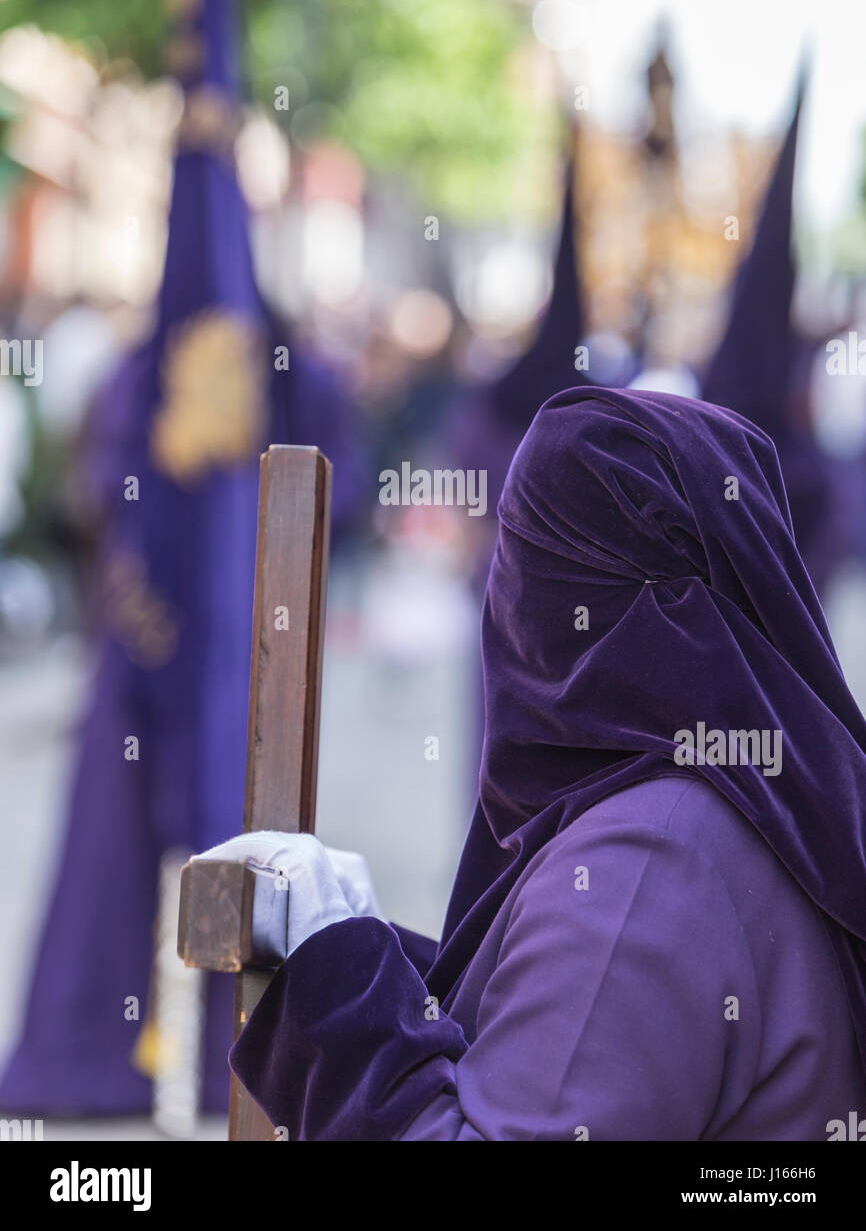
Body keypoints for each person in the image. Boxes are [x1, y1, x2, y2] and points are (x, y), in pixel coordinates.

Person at [201, 386, 866, 1140]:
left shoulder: (648, 859)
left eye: (518, 553)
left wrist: (332, 990)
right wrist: (363, 947)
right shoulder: (724, 801)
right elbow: (556, 1031)